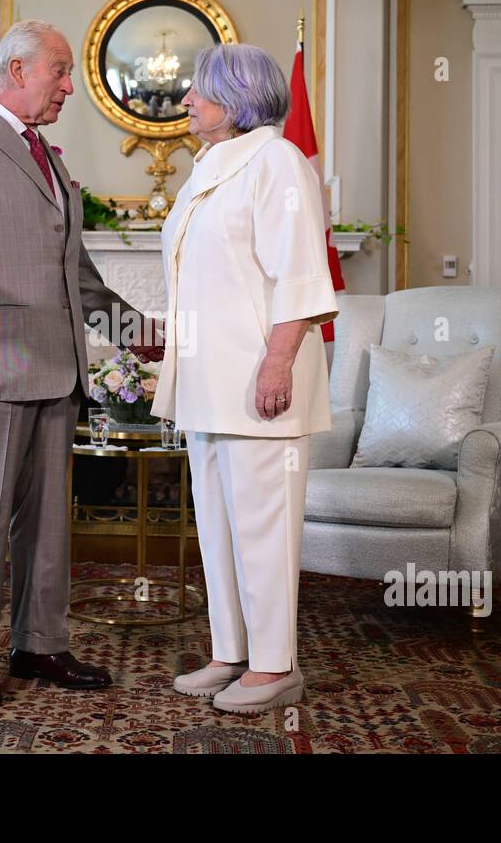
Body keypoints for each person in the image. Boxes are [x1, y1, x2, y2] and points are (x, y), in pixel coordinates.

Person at [0, 19, 163, 709]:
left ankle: (40, 642)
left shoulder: (51, 158)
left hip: (58, 369)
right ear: (18, 71)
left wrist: (139, 332)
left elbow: (78, 276)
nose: (70, 86)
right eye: (61, 71)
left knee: (48, 521)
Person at [152, 43, 338, 714]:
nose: (186, 102)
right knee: (218, 525)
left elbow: (298, 272)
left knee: (264, 524)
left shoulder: (277, 160)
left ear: (235, 99)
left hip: (262, 378)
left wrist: (279, 359)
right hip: (207, 383)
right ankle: (232, 651)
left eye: (197, 91)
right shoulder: (208, 168)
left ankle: (275, 664)